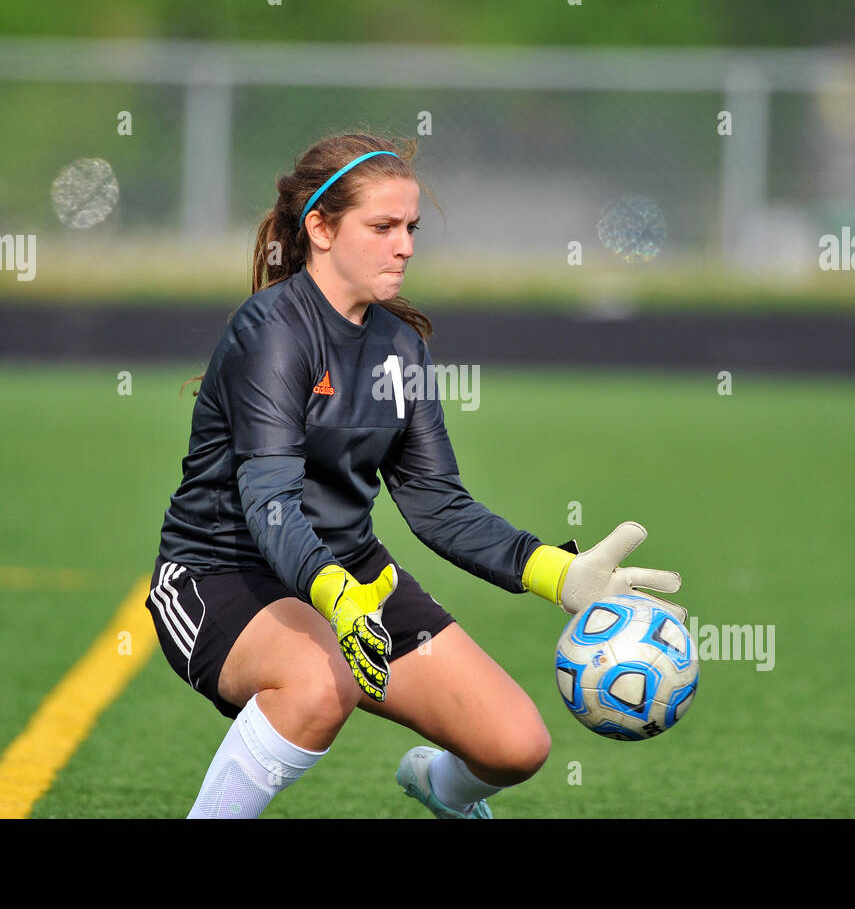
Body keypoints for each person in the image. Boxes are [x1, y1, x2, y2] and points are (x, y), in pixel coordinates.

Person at [147, 131, 685, 819]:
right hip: (222, 573)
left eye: (410, 228)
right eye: (382, 227)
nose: (403, 246)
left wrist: (558, 573)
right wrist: (335, 596)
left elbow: (437, 503)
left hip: (352, 577)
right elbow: (270, 505)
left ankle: (438, 789)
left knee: (515, 746)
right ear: (320, 228)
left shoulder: (400, 347)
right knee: (321, 683)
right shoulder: (272, 331)